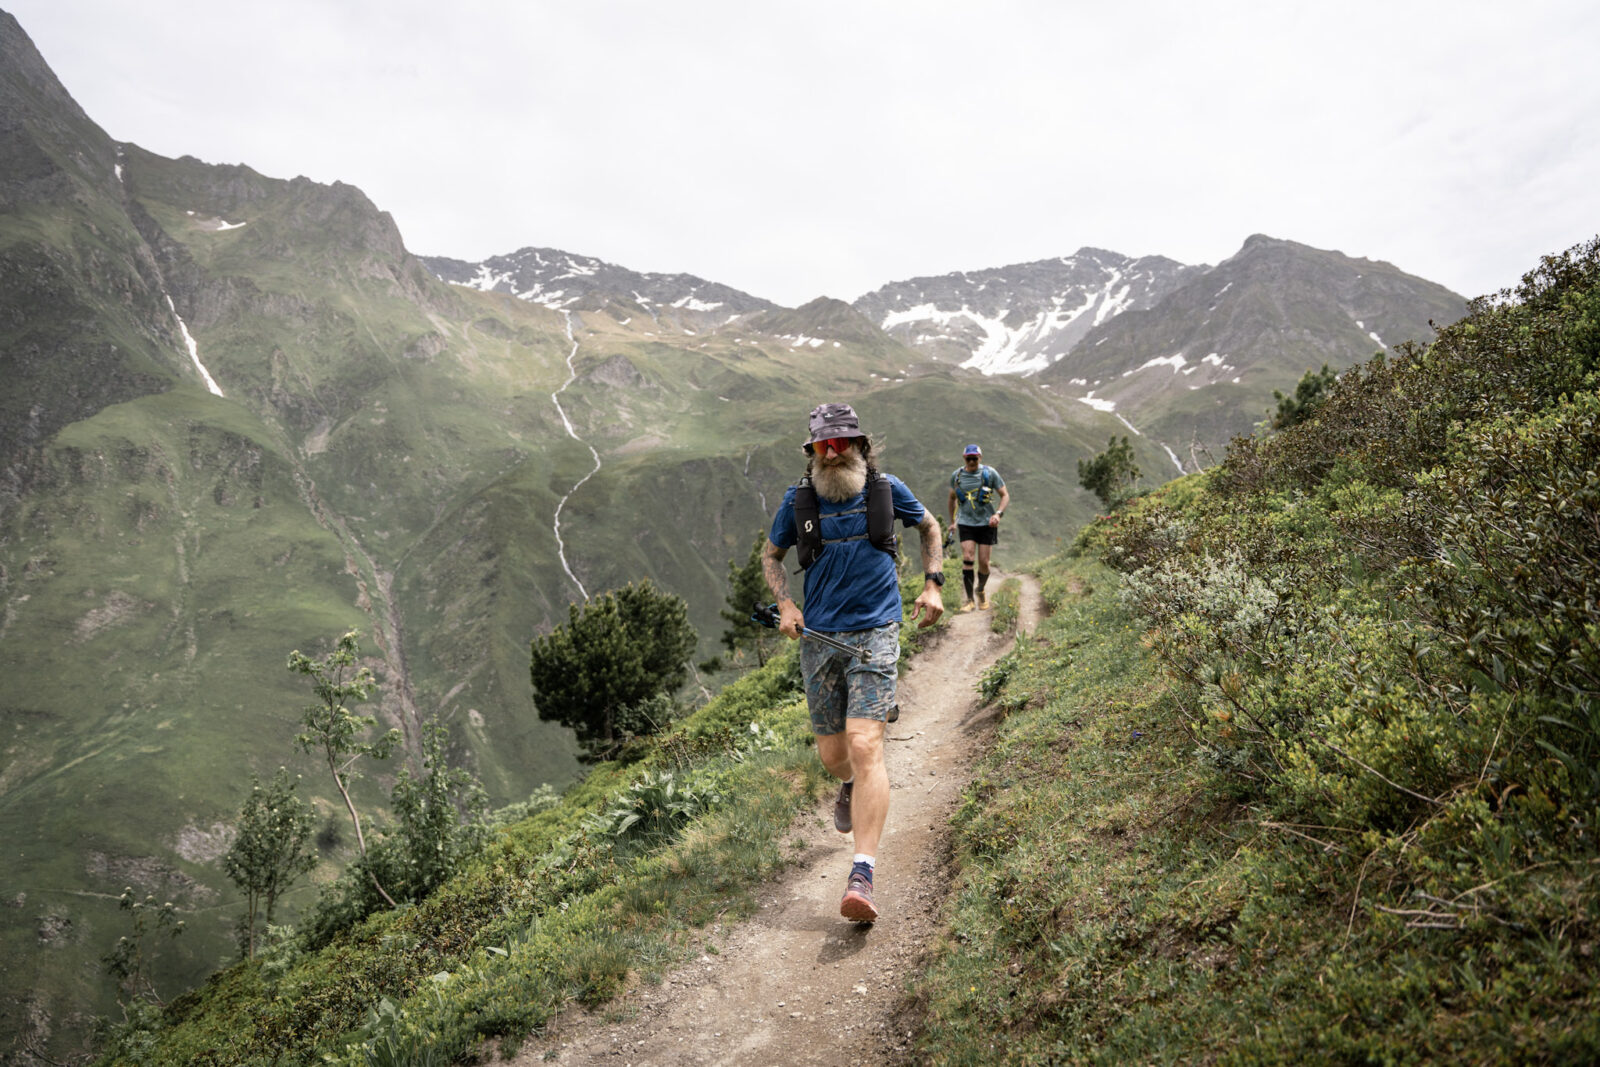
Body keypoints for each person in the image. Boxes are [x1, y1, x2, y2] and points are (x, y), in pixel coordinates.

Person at [763, 402, 944, 923]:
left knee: (866, 745)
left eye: (843, 444)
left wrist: (932, 584)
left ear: (861, 447)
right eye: (824, 446)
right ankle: (848, 785)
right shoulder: (796, 502)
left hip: (877, 631)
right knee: (834, 756)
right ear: (812, 453)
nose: (833, 454)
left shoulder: (887, 491)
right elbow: (770, 556)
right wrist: (787, 604)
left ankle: (862, 874)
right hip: (818, 638)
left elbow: (930, 527)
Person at [947, 444, 1010, 611]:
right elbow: (952, 498)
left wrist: (998, 514)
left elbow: (1004, 495)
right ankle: (969, 601)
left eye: (975, 458)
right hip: (966, 523)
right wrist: (953, 521)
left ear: (980, 458)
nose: (972, 461)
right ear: (964, 458)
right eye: (969, 458)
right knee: (967, 558)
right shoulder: (957, 476)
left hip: (987, 523)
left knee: (984, 563)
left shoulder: (990, 474)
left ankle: (980, 590)